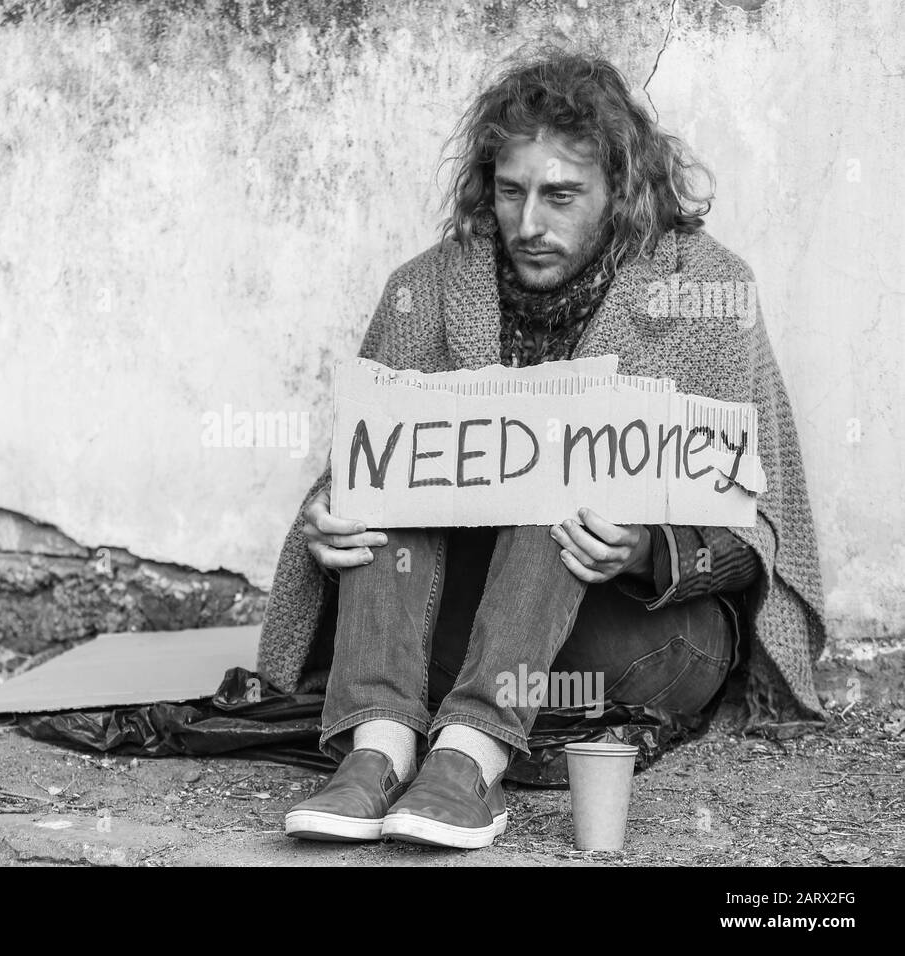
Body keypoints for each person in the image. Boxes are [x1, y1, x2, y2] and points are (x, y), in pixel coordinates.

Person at [258, 52, 827, 850]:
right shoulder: (429, 286)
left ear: (622, 192)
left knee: (560, 466)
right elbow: (358, 469)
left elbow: (755, 531)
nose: (529, 224)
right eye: (511, 191)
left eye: (562, 196)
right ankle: (377, 751)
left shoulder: (702, 288)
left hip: (634, 640)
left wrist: (645, 550)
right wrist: (330, 523)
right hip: (464, 638)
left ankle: (467, 761)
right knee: (390, 478)